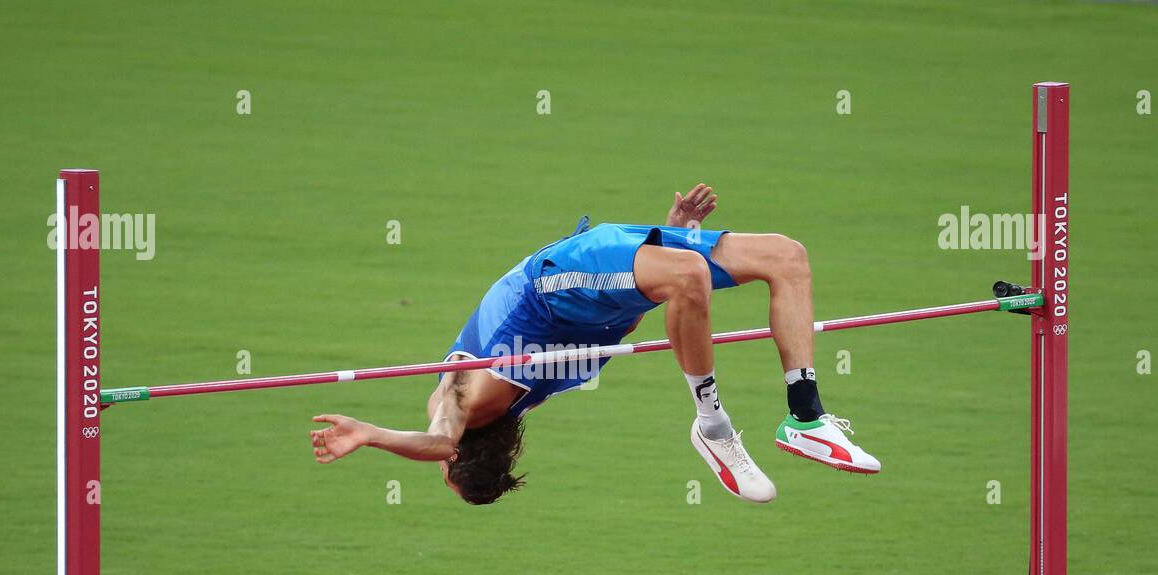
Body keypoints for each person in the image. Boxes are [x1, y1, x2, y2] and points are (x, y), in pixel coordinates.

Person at [310, 184, 879, 505]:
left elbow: (629, 315)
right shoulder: (463, 395)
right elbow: (436, 445)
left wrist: (667, 242)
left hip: (596, 276)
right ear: (467, 451)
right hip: (559, 281)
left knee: (786, 257)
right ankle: (712, 425)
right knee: (694, 276)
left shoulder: (545, 382)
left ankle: (805, 416)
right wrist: (368, 434)